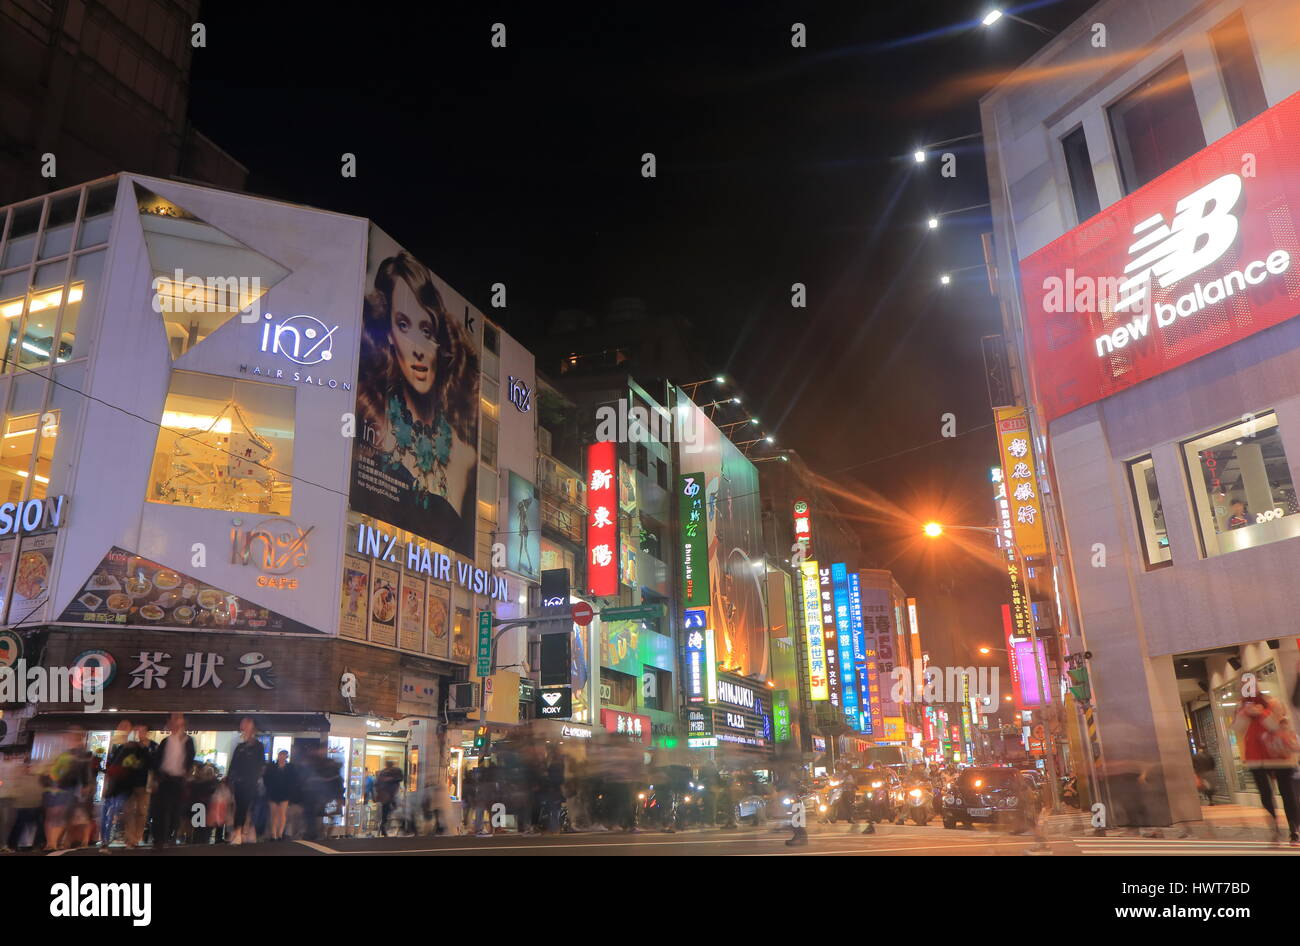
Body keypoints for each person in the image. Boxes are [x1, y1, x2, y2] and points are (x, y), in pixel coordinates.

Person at [355, 251, 481, 556]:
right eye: (403, 324)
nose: (418, 349)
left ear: (438, 341)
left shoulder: (465, 457)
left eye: (426, 330)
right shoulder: (369, 421)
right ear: (389, 335)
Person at [1233, 694, 1300, 843]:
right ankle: (1274, 822)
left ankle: (1293, 829)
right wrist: (1244, 713)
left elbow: (1277, 726)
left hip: (1279, 758)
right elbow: (1237, 728)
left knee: (1287, 794)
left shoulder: (1272, 706)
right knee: (1265, 794)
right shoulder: (1242, 708)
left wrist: (1261, 713)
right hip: (1256, 759)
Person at [150, 713, 195, 849]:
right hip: (164, 779)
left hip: (178, 780)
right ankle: (159, 839)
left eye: (178, 718)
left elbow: (190, 759)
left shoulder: (188, 741)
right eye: (173, 719)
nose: (175, 722)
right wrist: (155, 778)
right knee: (160, 810)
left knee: (175, 810)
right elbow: (157, 761)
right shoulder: (165, 741)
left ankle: (170, 836)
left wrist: (187, 776)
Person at [227, 718, 265, 845]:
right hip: (240, 782)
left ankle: (243, 832)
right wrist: (230, 779)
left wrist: (254, 779)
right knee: (241, 807)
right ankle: (239, 832)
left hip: (250, 782)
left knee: (248, 808)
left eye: (247, 724)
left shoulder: (257, 746)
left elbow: (260, 765)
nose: (244, 727)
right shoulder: (240, 746)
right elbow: (233, 765)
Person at [99, 721, 135, 850]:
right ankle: (105, 841)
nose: (123, 729)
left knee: (113, 812)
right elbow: (109, 768)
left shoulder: (131, 747)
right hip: (114, 786)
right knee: (108, 813)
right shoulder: (115, 746)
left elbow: (132, 767)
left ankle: (113, 839)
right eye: (121, 726)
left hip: (124, 787)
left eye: (126, 727)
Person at [121, 725, 155, 847]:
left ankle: (137, 836)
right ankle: (130, 837)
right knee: (128, 811)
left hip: (145, 783)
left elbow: (154, 764)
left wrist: (145, 749)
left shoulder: (153, 746)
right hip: (130, 783)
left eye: (142, 731)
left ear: (147, 732)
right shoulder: (131, 746)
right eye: (137, 731)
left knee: (142, 811)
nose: (139, 733)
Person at [264, 750, 299, 841]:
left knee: (282, 813)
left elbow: (293, 781)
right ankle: (274, 834)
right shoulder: (272, 766)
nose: (282, 757)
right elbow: (266, 779)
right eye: (280, 755)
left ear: (286, 757)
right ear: (278, 756)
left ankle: (279, 834)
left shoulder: (290, 767)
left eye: (284, 755)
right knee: (274, 814)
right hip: (273, 792)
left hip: (284, 792)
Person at [374, 759, 404, 837]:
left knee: (393, 811)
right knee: (386, 812)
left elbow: (400, 778)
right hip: (387, 796)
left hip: (393, 794)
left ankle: (392, 827)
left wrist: (391, 779)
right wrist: (379, 792)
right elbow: (377, 783)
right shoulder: (383, 773)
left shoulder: (395, 771)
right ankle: (384, 828)